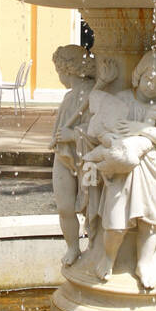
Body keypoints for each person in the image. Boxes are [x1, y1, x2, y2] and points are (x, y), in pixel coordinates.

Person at [86, 50, 156, 291]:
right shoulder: (121, 99)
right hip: (123, 169)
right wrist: (109, 138)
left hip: (154, 170)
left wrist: (142, 128)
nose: (153, 86)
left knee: (150, 222)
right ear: (138, 74)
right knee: (116, 221)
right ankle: (108, 257)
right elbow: (102, 128)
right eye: (149, 78)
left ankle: (145, 264)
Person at [51, 45, 96, 265]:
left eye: (58, 70)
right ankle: (73, 247)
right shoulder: (70, 97)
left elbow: (101, 130)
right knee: (64, 205)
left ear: (67, 70)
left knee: (92, 206)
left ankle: (95, 247)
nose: (58, 76)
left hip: (89, 157)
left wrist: (73, 134)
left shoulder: (95, 95)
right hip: (64, 155)